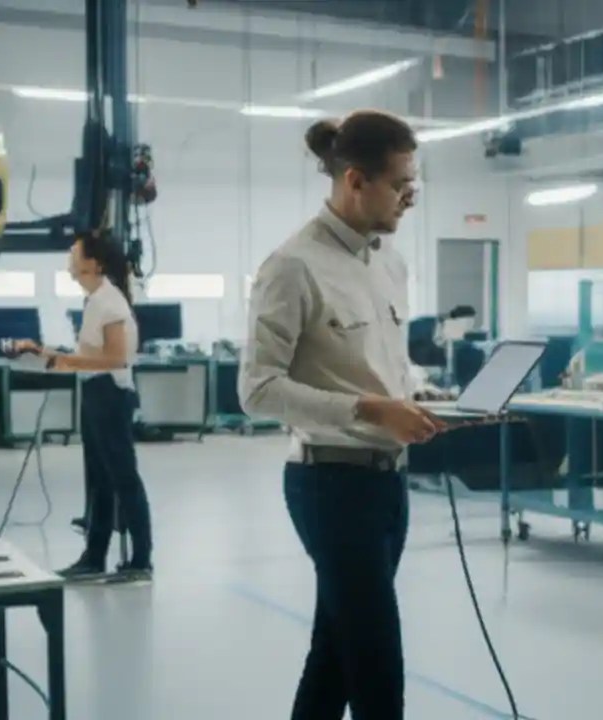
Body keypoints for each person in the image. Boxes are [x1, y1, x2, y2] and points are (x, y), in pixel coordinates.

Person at [239, 111, 447, 720]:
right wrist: (369, 408)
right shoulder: (292, 267)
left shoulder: (390, 263)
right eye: (401, 183)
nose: (411, 196)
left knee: (336, 655)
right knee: (378, 664)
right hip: (329, 485)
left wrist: (417, 398)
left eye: (415, 183)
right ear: (355, 180)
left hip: (389, 483)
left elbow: (381, 367)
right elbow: (256, 389)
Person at [15, 233, 153, 581]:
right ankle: (94, 557)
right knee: (99, 482)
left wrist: (61, 360)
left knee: (123, 479)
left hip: (110, 395)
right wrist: (46, 353)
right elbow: (93, 356)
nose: (70, 255)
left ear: (93, 264)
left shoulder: (110, 302)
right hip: (96, 393)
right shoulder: (95, 301)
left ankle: (140, 562)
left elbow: (116, 358)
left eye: (75, 252)